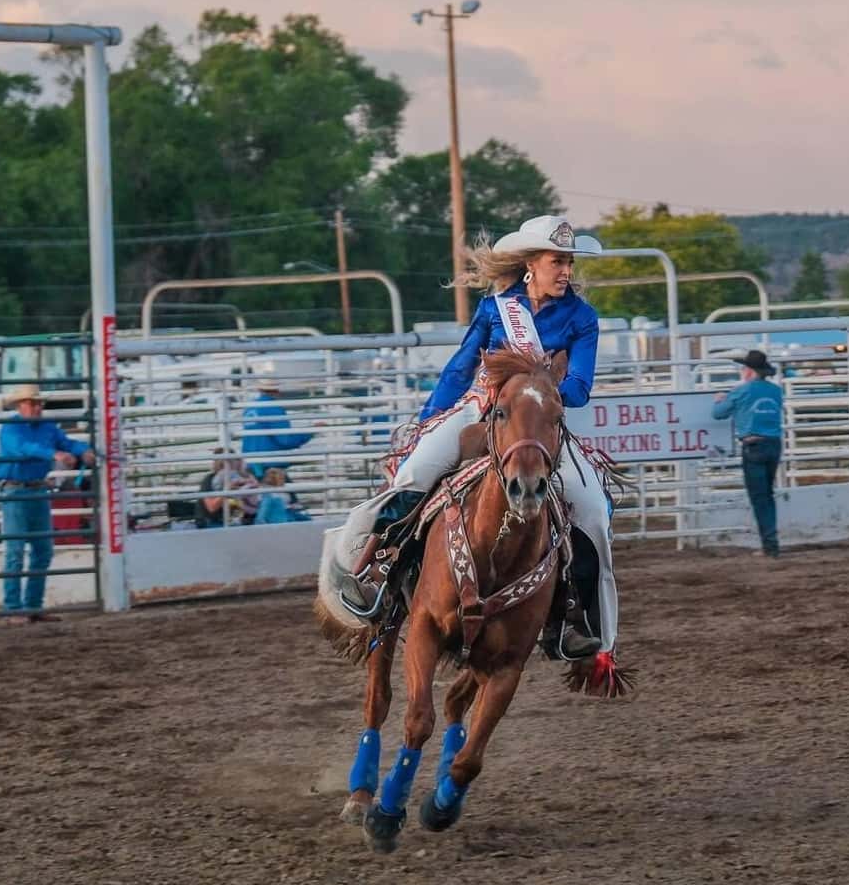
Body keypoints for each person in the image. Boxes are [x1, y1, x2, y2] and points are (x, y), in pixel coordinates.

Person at [336, 214, 614, 662]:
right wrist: (429, 419)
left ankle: (577, 616)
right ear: (531, 263)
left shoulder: (583, 318)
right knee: (414, 474)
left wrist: (534, 395)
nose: (566, 271)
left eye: (569, 262)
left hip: (541, 423)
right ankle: (375, 572)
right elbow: (460, 367)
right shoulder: (495, 308)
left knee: (593, 509)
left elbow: (579, 386)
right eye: (556, 261)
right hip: (479, 410)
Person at [0, 383, 95, 623]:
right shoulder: (11, 428)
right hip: (16, 490)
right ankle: (14, 608)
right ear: (20, 405)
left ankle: (30, 606)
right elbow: (23, 449)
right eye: (32, 402)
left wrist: (84, 450)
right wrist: (55, 454)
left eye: (38, 402)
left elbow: (67, 442)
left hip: (34, 489)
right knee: (17, 552)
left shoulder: (45, 427)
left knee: (42, 550)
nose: (37, 407)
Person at [713, 349, 784, 558]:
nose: (742, 372)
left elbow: (718, 413)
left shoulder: (742, 391)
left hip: (753, 445)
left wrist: (720, 399)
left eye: (744, 368)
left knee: (760, 497)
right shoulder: (776, 391)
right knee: (767, 495)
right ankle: (770, 543)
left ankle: (770, 545)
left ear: (750, 372)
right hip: (774, 444)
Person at [241, 382, 312, 478]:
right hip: (271, 466)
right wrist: (309, 432)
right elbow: (286, 440)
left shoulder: (249, 408)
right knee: (280, 492)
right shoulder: (273, 407)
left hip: (252, 464)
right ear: (277, 390)